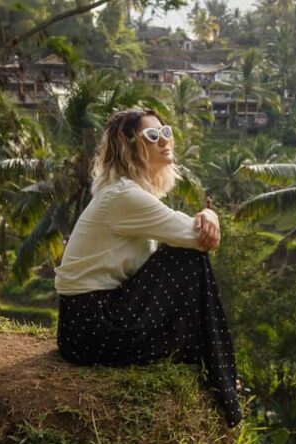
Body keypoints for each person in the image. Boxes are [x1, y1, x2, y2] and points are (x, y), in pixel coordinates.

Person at [54, 109, 241, 427]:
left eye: (165, 131)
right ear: (130, 147)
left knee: (182, 257)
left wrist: (207, 218)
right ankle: (222, 375)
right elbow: (200, 240)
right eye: (152, 136)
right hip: (91, 325)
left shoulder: (128, 193)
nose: (164, 141)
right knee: (187, 259)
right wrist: (210, 217)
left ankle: (215, 368)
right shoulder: (125, 196)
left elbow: (190, 233)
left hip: (84, 325)